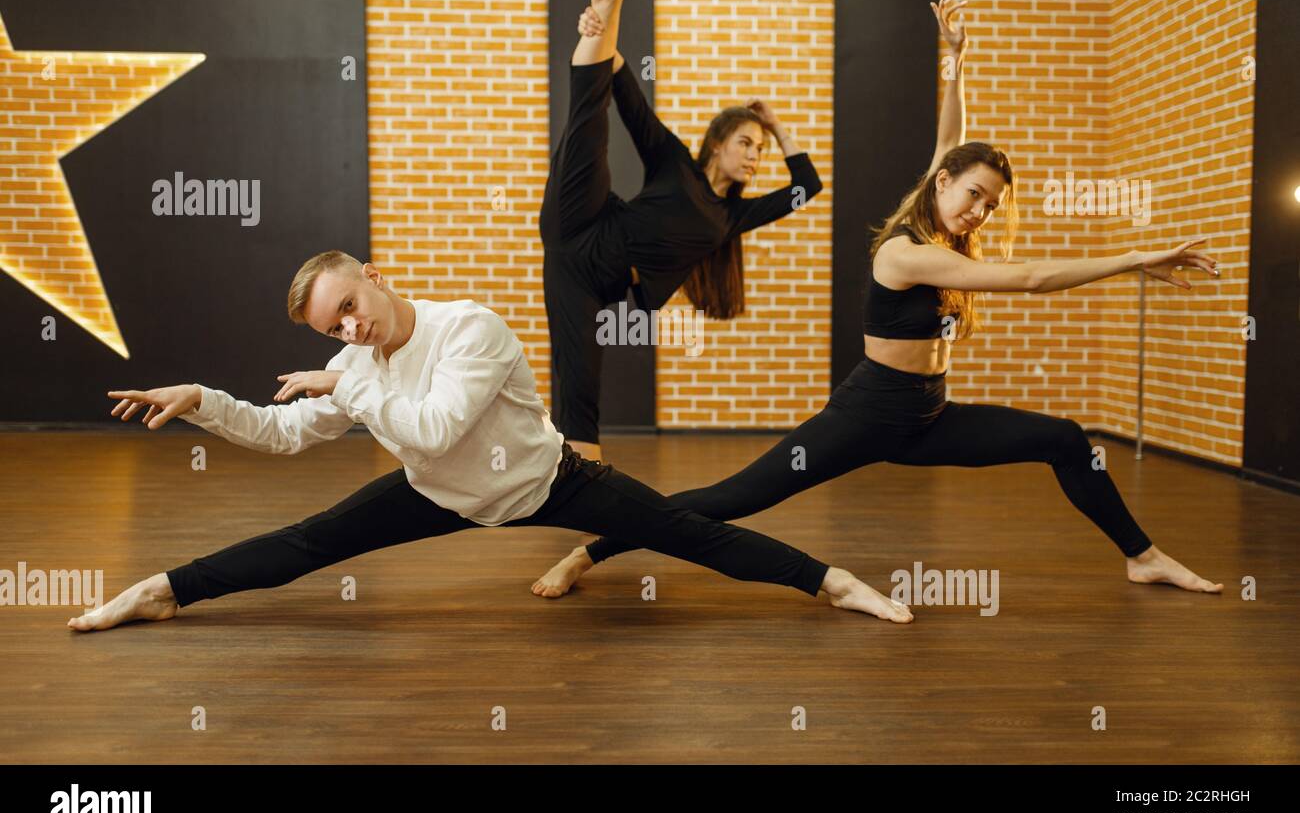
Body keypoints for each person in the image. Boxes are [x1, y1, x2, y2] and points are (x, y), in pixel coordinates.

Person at [534, 0, 1223, 599]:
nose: (979, 211)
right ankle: (589, 550)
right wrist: (1135, 257)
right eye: (972, 194)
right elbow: (1029, 278)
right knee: (732, 497)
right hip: (867, 414)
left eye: (990, 202)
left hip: (929, 415)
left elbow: (951, 139)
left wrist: (955, 62)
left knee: (1068, 440)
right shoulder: (905, 251)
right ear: (943, 184)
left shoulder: (942, 216)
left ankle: (1143, 556)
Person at [68, 251, 916, 633]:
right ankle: (165, 592)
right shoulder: (356, 364)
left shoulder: (469, 328)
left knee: (690, 534)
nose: (353, 328)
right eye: (336, 327)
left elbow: (436, 424)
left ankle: (836, 585)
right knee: (304, 542)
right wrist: (205, 400)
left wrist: (351, 382)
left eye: (351, 306)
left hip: (547, 483)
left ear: (373, 273)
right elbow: (284, 434)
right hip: (440, 493)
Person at [542, 0, 822, 462]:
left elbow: (807, 188)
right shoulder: (675, 162)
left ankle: (584, 494)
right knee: (588, 120)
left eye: (760, 150)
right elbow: (628, 96)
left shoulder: (731, 217)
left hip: (586, 281)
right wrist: (598, 32)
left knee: (580, 395)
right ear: (716, 144)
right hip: (584, 220)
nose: (755, 157)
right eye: (746, 142)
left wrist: (778, 128)